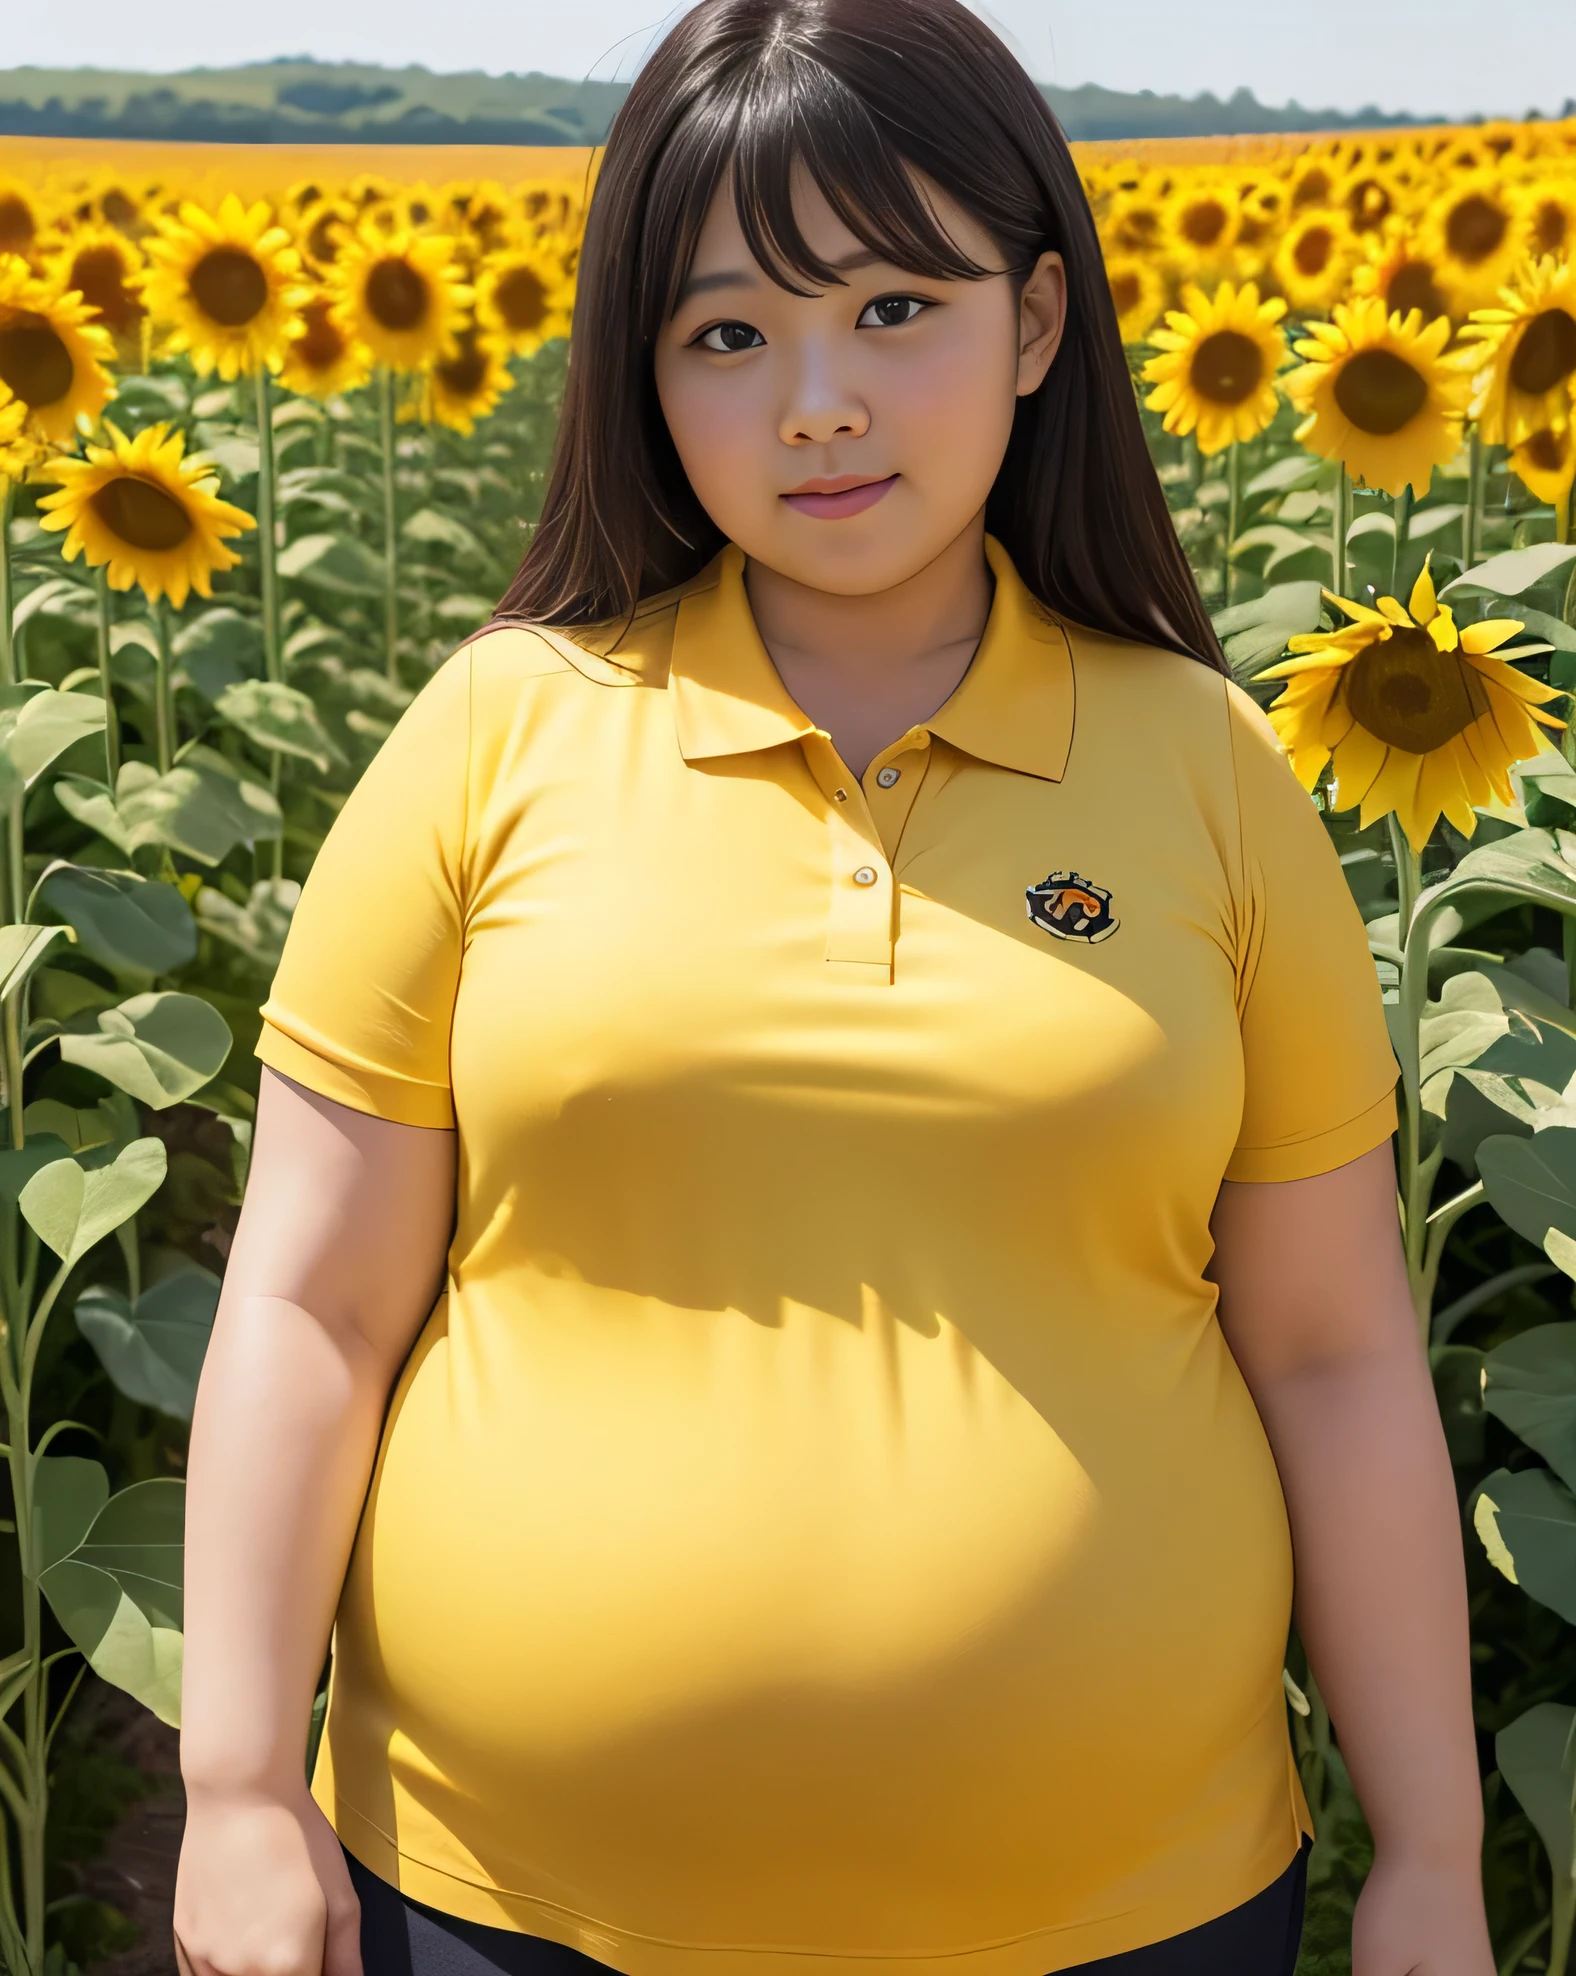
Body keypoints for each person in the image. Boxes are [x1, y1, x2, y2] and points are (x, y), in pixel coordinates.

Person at [171, 3, 1493, 1974]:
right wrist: (234, 1791)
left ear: (1035, 324)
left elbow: (1327, 1351)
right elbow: (310, 1299)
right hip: (506, 1904)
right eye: (726, 333)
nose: (812, 402)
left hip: (1134, 1910)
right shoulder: (493, 737)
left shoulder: (1205, 764)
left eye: (891, 308)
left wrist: (1433, 1856)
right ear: (644, 373)